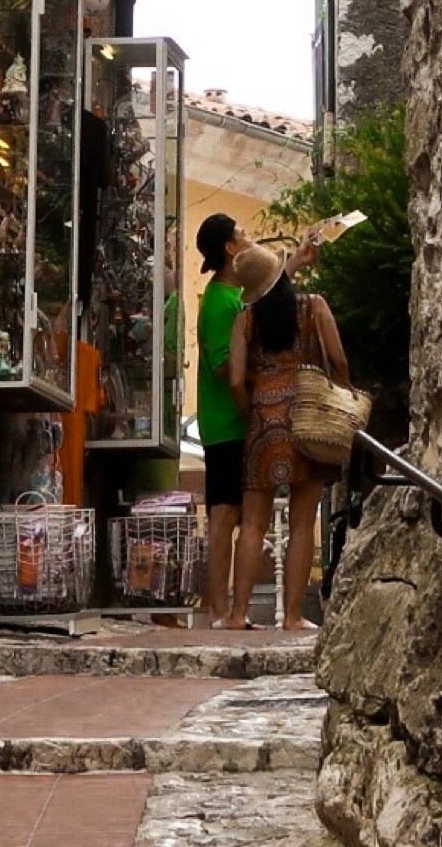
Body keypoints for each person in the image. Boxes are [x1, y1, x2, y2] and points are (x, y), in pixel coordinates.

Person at [220, 241, 347, 633]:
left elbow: (237, 381)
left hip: (264, 422)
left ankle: (238, 614)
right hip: (308, 417)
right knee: (302, 522)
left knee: (253, 523)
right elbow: (339, 360)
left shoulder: (245, 321)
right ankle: (292, 616)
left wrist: (252, 412)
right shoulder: (315, 306)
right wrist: (340, 393)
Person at [189, 214, 246, 629]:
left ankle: (222, 608)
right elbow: (222, 367)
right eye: (241, 232)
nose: (247, 237)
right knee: (223, 518)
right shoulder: (219, 304)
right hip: (226, 424)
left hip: (232, 423)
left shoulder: (231, 296)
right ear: (229, 246)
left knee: (231, 516)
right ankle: (218, 609)